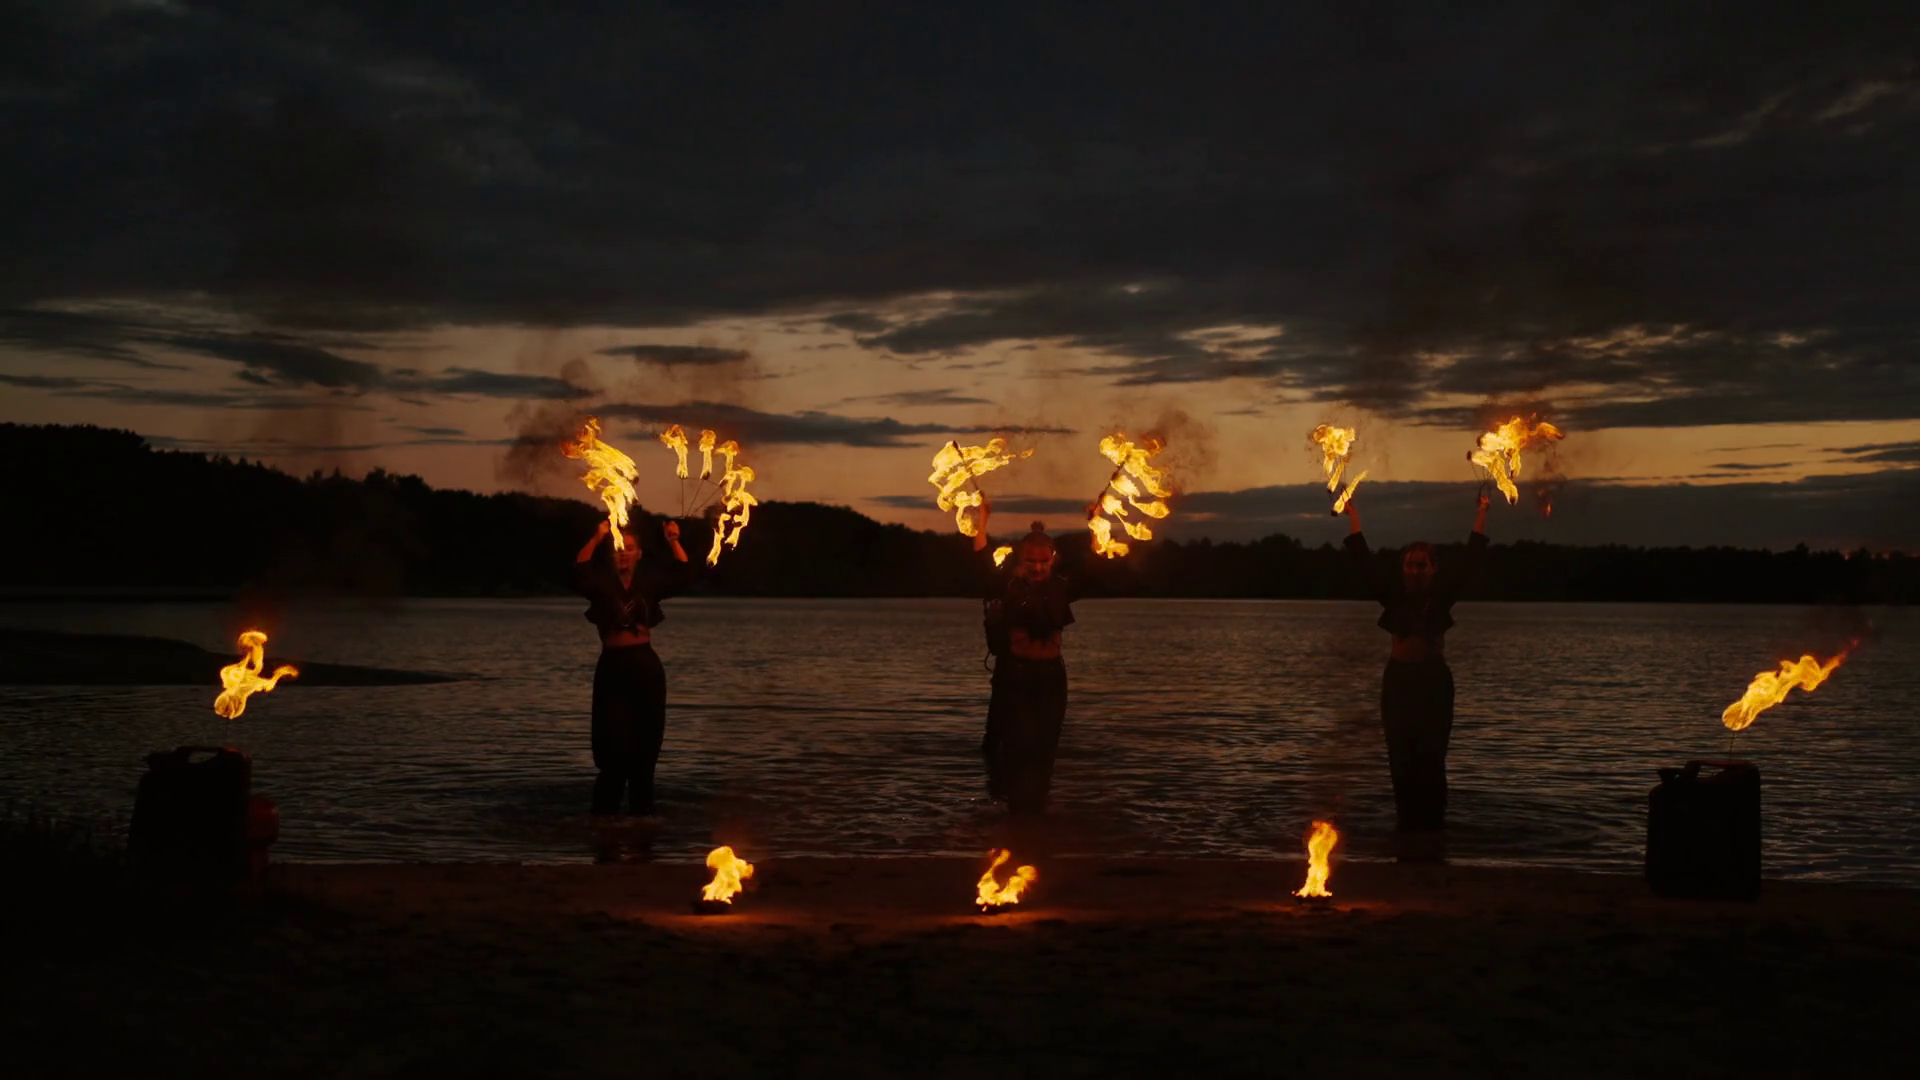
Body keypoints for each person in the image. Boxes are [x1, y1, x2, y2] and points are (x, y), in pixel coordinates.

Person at [1342, 490, 1490, 837]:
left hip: (1433, 682)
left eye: (1421, 565)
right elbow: (1363, 561)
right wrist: (1353, 516)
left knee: (1432, 756)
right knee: (1400, 755)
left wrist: (1482, 512)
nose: (1415, 571)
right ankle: (1406, 825)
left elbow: (1472, 557)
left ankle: (1433, 825)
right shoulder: (1393, 597)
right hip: (1398, 683)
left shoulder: (1442, 596)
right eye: (1410, 565)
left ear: (1434, 568)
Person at [974, 501, 1105, 815]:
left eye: (1043, 561)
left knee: (1045, 747)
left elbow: (1094, 566)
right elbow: (980, 558)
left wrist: (1096, 522)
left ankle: (1038, 808)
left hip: (1051, 678)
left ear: (1052, 558)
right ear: (1020, 558)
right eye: (1031, 561)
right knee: (1012, 745)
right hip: (1014, 675)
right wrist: (982, 520)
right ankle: (1007, 809)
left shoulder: (1060, 587)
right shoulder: (1006, 585)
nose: (1037, 568)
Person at [573, 516, 693, 816]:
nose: (624, 553)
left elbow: (683, 574)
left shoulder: (649, 584)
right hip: (612, 668)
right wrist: (597, 536)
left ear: (639, 553)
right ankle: (604, 819)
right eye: (618, 548)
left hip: (645, 667)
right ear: (611, 553)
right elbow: (580, 569)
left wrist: (673, 541)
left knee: (645, 750)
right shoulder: (600, 583)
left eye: (629, 548)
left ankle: (642, 818)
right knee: (612, 748)